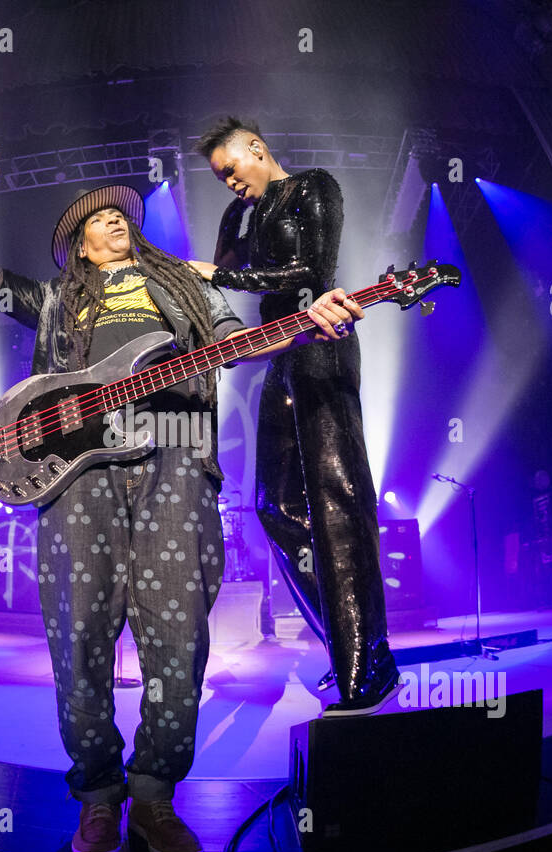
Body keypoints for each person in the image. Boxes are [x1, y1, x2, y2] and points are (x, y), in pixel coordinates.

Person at [0, 148, 361, 852]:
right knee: (79, 633)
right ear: (79, 244)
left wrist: (304, 321)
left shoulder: (179, 283)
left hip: (176, 455)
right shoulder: (59, 298)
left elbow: (240, 342)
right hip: (76, 472)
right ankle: (97, 799)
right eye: (98, 220)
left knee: (178, 639)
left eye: (120, 215)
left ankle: (152, 797)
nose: (112, 220)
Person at [189, 116, 400, 717]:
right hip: (278, 354)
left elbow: (311, 272)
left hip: (323, 337)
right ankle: (350, 645)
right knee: (274, 506)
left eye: (232, 169)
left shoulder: (313, 186)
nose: (229, 183)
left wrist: (223, 273)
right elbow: (213, 285)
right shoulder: (239, 217)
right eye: (220, 178)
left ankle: (367, 664)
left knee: (337, 498)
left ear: (257, 148)